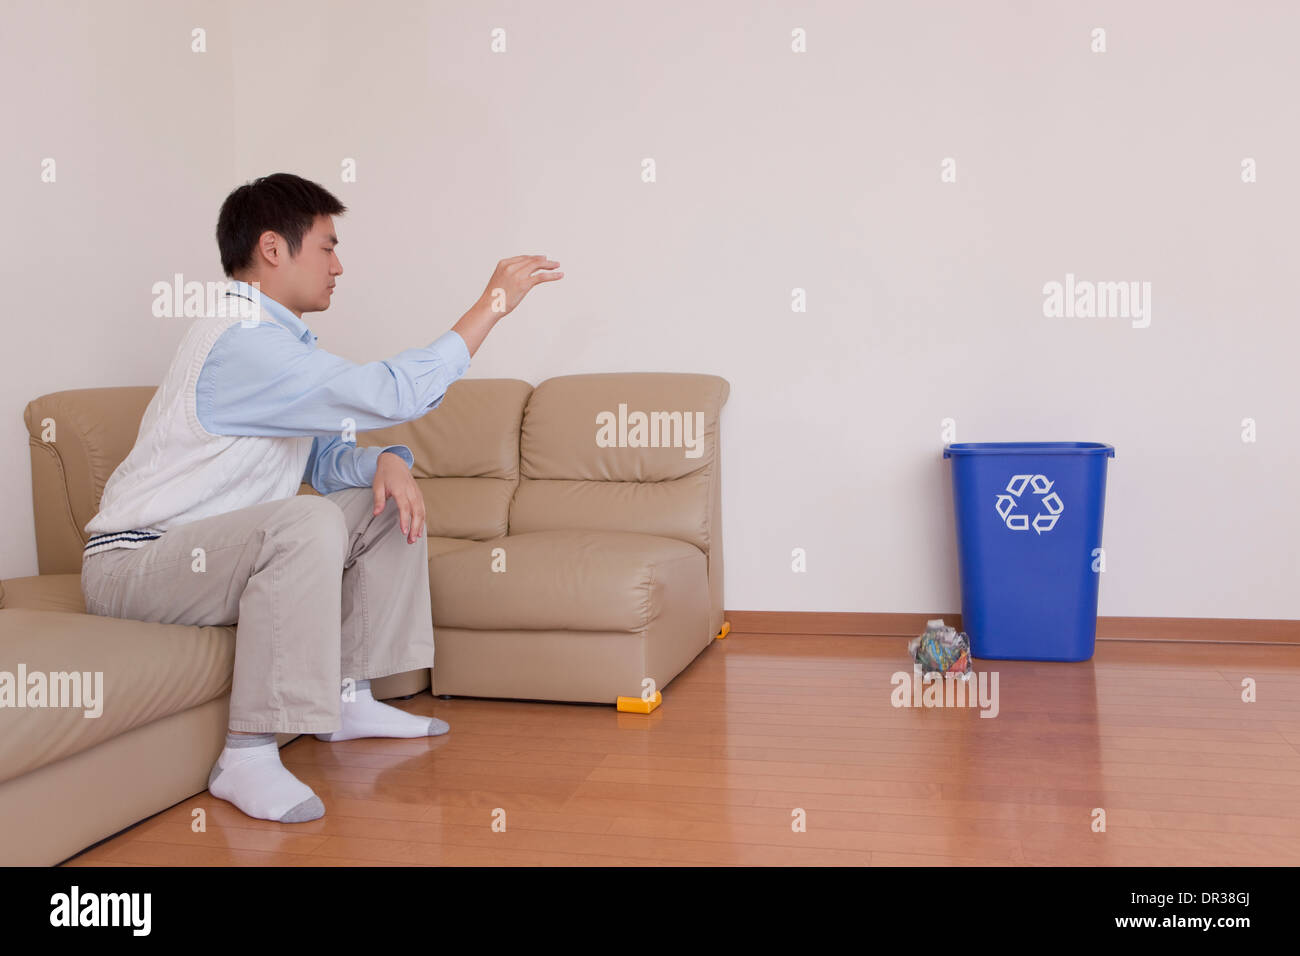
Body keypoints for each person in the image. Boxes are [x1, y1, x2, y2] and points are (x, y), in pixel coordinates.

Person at [79, 172, 563, 823]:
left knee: (379, 502)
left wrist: (386, 461)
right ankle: (245, 755)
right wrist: (492, 305)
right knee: (305, 520)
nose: (340, 266)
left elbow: (320, 455)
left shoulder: (271, 342)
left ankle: (345, 698)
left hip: (204, 555)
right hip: (136, 564)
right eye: (327, 247)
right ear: (274, 249)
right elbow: (393, 393)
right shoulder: (241, 341)